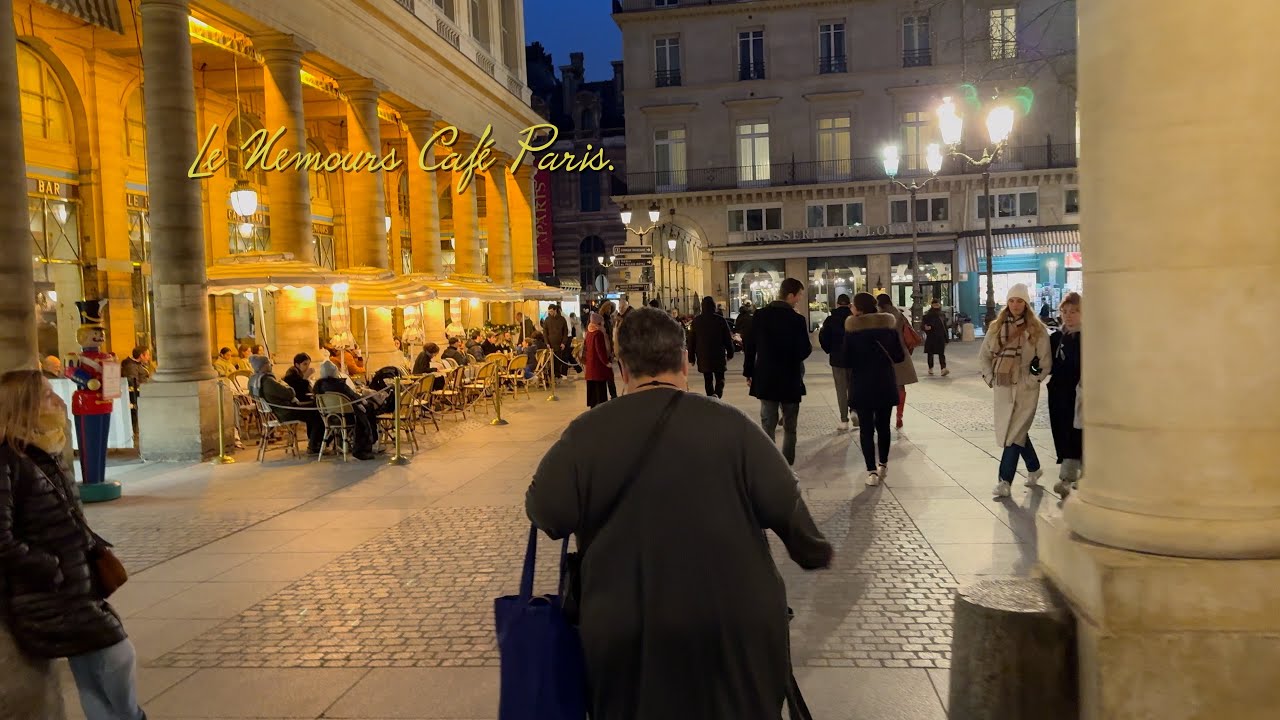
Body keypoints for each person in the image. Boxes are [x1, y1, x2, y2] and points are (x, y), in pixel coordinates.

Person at [525, 307, 832, 720]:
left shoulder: (586, 433)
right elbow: (786, 505)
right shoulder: (733, 426)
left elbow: (547, 510)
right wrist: (811, 550)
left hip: (628, 629)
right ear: (685, 361)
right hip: (735, 626)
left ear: (621, 368)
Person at [0, 370, 147, 720]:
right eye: (48, 395)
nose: (59, 400)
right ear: (25, 406)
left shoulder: (43, 451)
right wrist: (50, 566)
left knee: (97, 679)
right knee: (115, 656)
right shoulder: (9, 461)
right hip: (49, 594)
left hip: (75, 586)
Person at [980, 283, 1053, 498]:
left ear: (1026, 303)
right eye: (1012, 300)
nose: (1015, 305)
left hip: (1025, 387)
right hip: (1003, 385)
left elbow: (1044, 360)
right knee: (1015, 432)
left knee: (1013, 435)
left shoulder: (1036, 330)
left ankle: (1004, 481)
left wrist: (1033, 378)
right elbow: (984, 355)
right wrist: (991, 378)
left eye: (1020, 300)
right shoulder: (996, 327)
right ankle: (1034, 467)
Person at [743, 278, 811, 466]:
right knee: (790, 426)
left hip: (766, 377)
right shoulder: (797, 320)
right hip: (790, 377)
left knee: (768, 424)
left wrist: (749, 372)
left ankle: (770, 464)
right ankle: (787, 465)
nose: (799, 299)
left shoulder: (760, 315)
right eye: (798, 295)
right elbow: (805, 349)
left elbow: (751, 346)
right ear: (790, 295)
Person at [842, 293, 905, 486]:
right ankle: (883, 464)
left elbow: (845, 360)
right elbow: (899, 357)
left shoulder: (852, 331)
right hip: (884, 383)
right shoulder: (889, 329)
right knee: (883, 426)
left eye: (853, 306)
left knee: (866, 429)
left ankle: (871, 471)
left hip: (862, 384)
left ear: (859, 309)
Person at [248, 355, 325, 455]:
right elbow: (289, 393)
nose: (271, 365)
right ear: (262, 366)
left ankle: (314, 442)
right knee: (317, 412)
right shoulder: (268, 381)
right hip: (285, 411)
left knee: (313, 408)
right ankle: (314, 446)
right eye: (268, 363)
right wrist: (288, 387)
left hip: (275, 410)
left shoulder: (254, 380)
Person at [1048, 292, 1083, 497]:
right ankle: (1067, 476)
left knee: (1078, 434)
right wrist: (1032, 373)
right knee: (1063, 434)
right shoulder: (1057, 337)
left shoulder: (1086, 337)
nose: (1069, 316)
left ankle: (1073, 477)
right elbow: (1045, 364)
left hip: (1078, 393)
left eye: (1074, 311)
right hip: (1059, 394)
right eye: (1065, 311)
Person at [312, 360, 378, 460]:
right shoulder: (340, 385)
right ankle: (366, 444)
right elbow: (353, 396)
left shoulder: (319, 387)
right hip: (348, 417)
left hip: (330, 418)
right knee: (369, 408)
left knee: (365, 408)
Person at [876, 294, 918, 429]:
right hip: (900, 353)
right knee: (900, 386)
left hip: (882, 353)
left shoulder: (878, 317)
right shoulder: (899, 315)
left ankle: (882, 416)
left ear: (880, 304)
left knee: (881, 386)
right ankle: (899, 415)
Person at [818, 294, 856, 431]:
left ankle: (844, 420)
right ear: (849, 304)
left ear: (837, 303)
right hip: (854, 359)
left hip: (837, 359)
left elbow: (823, 337)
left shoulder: (830, 319)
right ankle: (855, 411)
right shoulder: (854, 318)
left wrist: (829, 350)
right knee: (854, 387)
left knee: (841, 389)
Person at [688, 296, 735, 399]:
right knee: (720, 379)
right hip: (718, 354)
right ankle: (717, 395)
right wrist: (730, 352)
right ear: (714, 306)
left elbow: (691, 341)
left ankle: (710, 398)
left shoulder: (696, 321)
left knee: (707, 379)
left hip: (703, 355)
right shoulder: (720, 320)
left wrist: (691, 358)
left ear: (702, 306)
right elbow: (727, 338)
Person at [583, 313, 612, 408]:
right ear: (598, 322)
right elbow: (600, 350)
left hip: (590, 367)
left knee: (593, 391)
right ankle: (601, 409)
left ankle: (593, 407)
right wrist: (606, 363)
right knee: (600, 391)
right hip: (598, 367)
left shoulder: (588, 333)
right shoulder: (598, 333)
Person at [922, 299, 950, 377]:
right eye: (935, 304)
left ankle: (943, 369)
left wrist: (946, 339)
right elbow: (923, 325)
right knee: (930, 354)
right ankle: (930, 368)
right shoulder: (928, 314)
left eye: (937, 304)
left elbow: (945, 327)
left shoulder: (942, 314)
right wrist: (926, 327)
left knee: (941, 354)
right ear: (932, 305)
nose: (936, 306)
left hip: (940, 337)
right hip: (931, 336)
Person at [542, 304, 571, 378]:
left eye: (551, 311)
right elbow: (545, 332)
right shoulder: (547, 320)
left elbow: (565, 332)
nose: (550, 313)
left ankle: (557, 374)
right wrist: (546, 343)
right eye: (549, 312)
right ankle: (552, 375)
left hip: (559, 344)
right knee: (551, 361)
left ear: (555, 310)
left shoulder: (562, 319)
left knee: (559, 360)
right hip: (550, 344)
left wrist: (564, 343)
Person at [599, 300, 619, 399]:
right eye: (608, 308)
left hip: (609, 350)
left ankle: (613, 395)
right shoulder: (601, 320)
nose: (610, 310)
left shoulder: (609, 320)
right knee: (605, 375)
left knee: (609, 375)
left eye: (611, 308)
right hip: (603, 350)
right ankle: (609, 395)